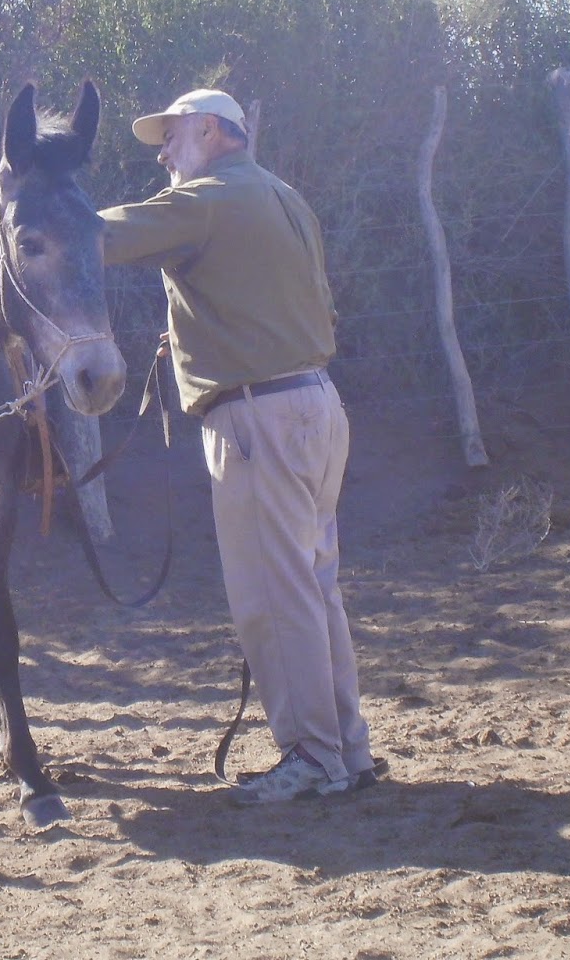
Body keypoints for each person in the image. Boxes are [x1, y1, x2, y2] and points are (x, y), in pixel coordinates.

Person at [98, 88, 379, 805]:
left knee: (271, 597)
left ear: (213, 133)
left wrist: (14, 211)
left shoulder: (206, 199)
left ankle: (314, 759)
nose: (163, 153)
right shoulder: (285, 197)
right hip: (316, 404)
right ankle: (347, 751)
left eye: (173, 138)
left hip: (258, 418)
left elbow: (91, 236)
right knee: (315, 587)